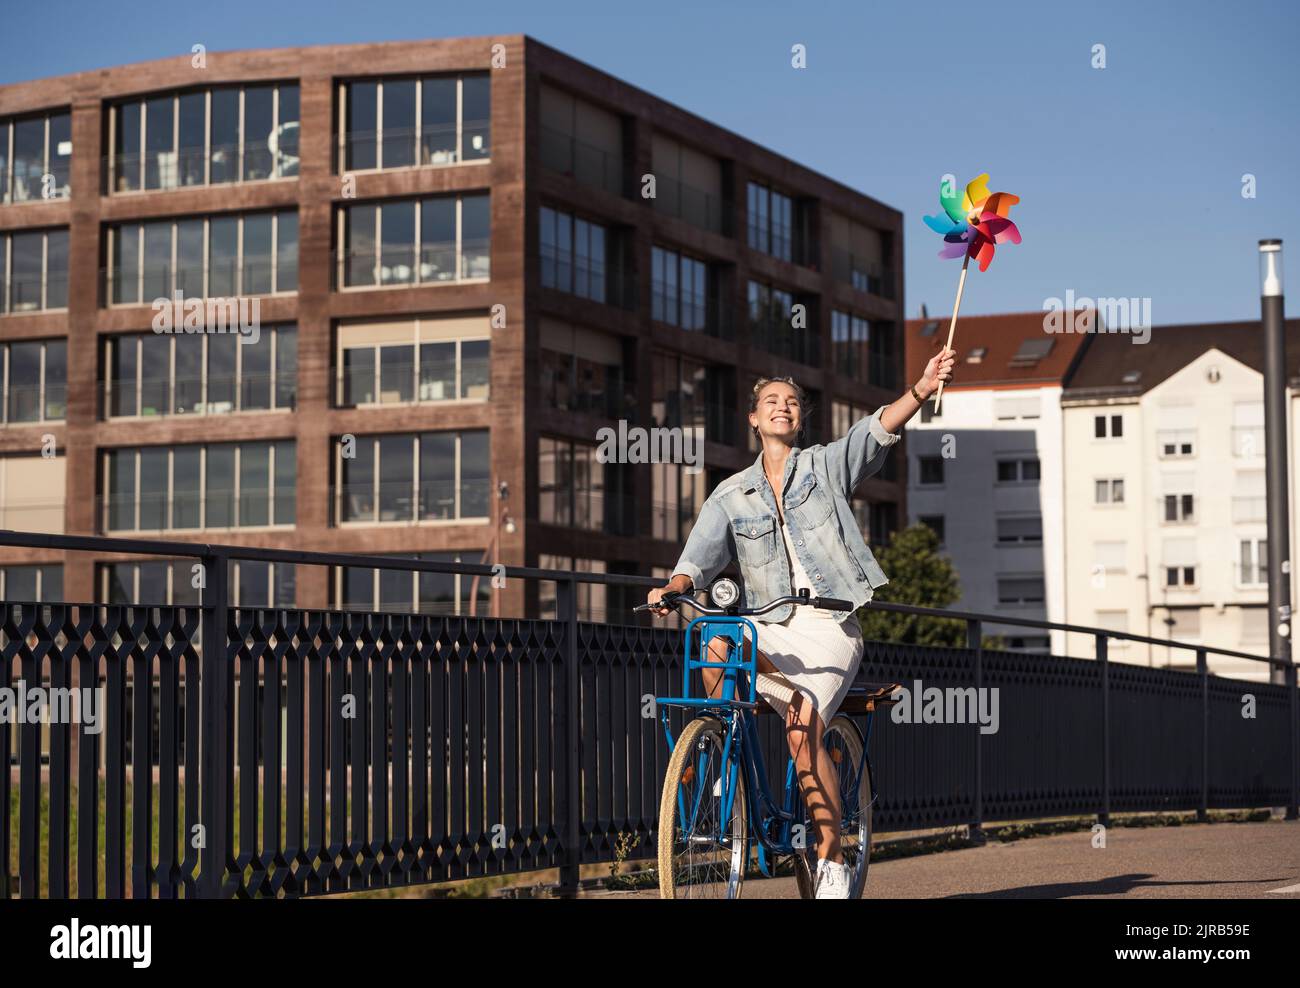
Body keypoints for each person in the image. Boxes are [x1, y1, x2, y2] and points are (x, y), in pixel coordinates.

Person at [646, 346, 956, 897]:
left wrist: (920, 389)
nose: (782, 407)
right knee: (717, 637)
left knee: (799, 725)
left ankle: (832, 856)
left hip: (829, 628)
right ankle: (722, 754)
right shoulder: (731, 493)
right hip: (770, 623)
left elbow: (872, 432)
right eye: (771, 401)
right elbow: (696, 559)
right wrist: (673, 588)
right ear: (753, 418)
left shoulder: (824, 466)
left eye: (791, 402)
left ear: (800, 417)